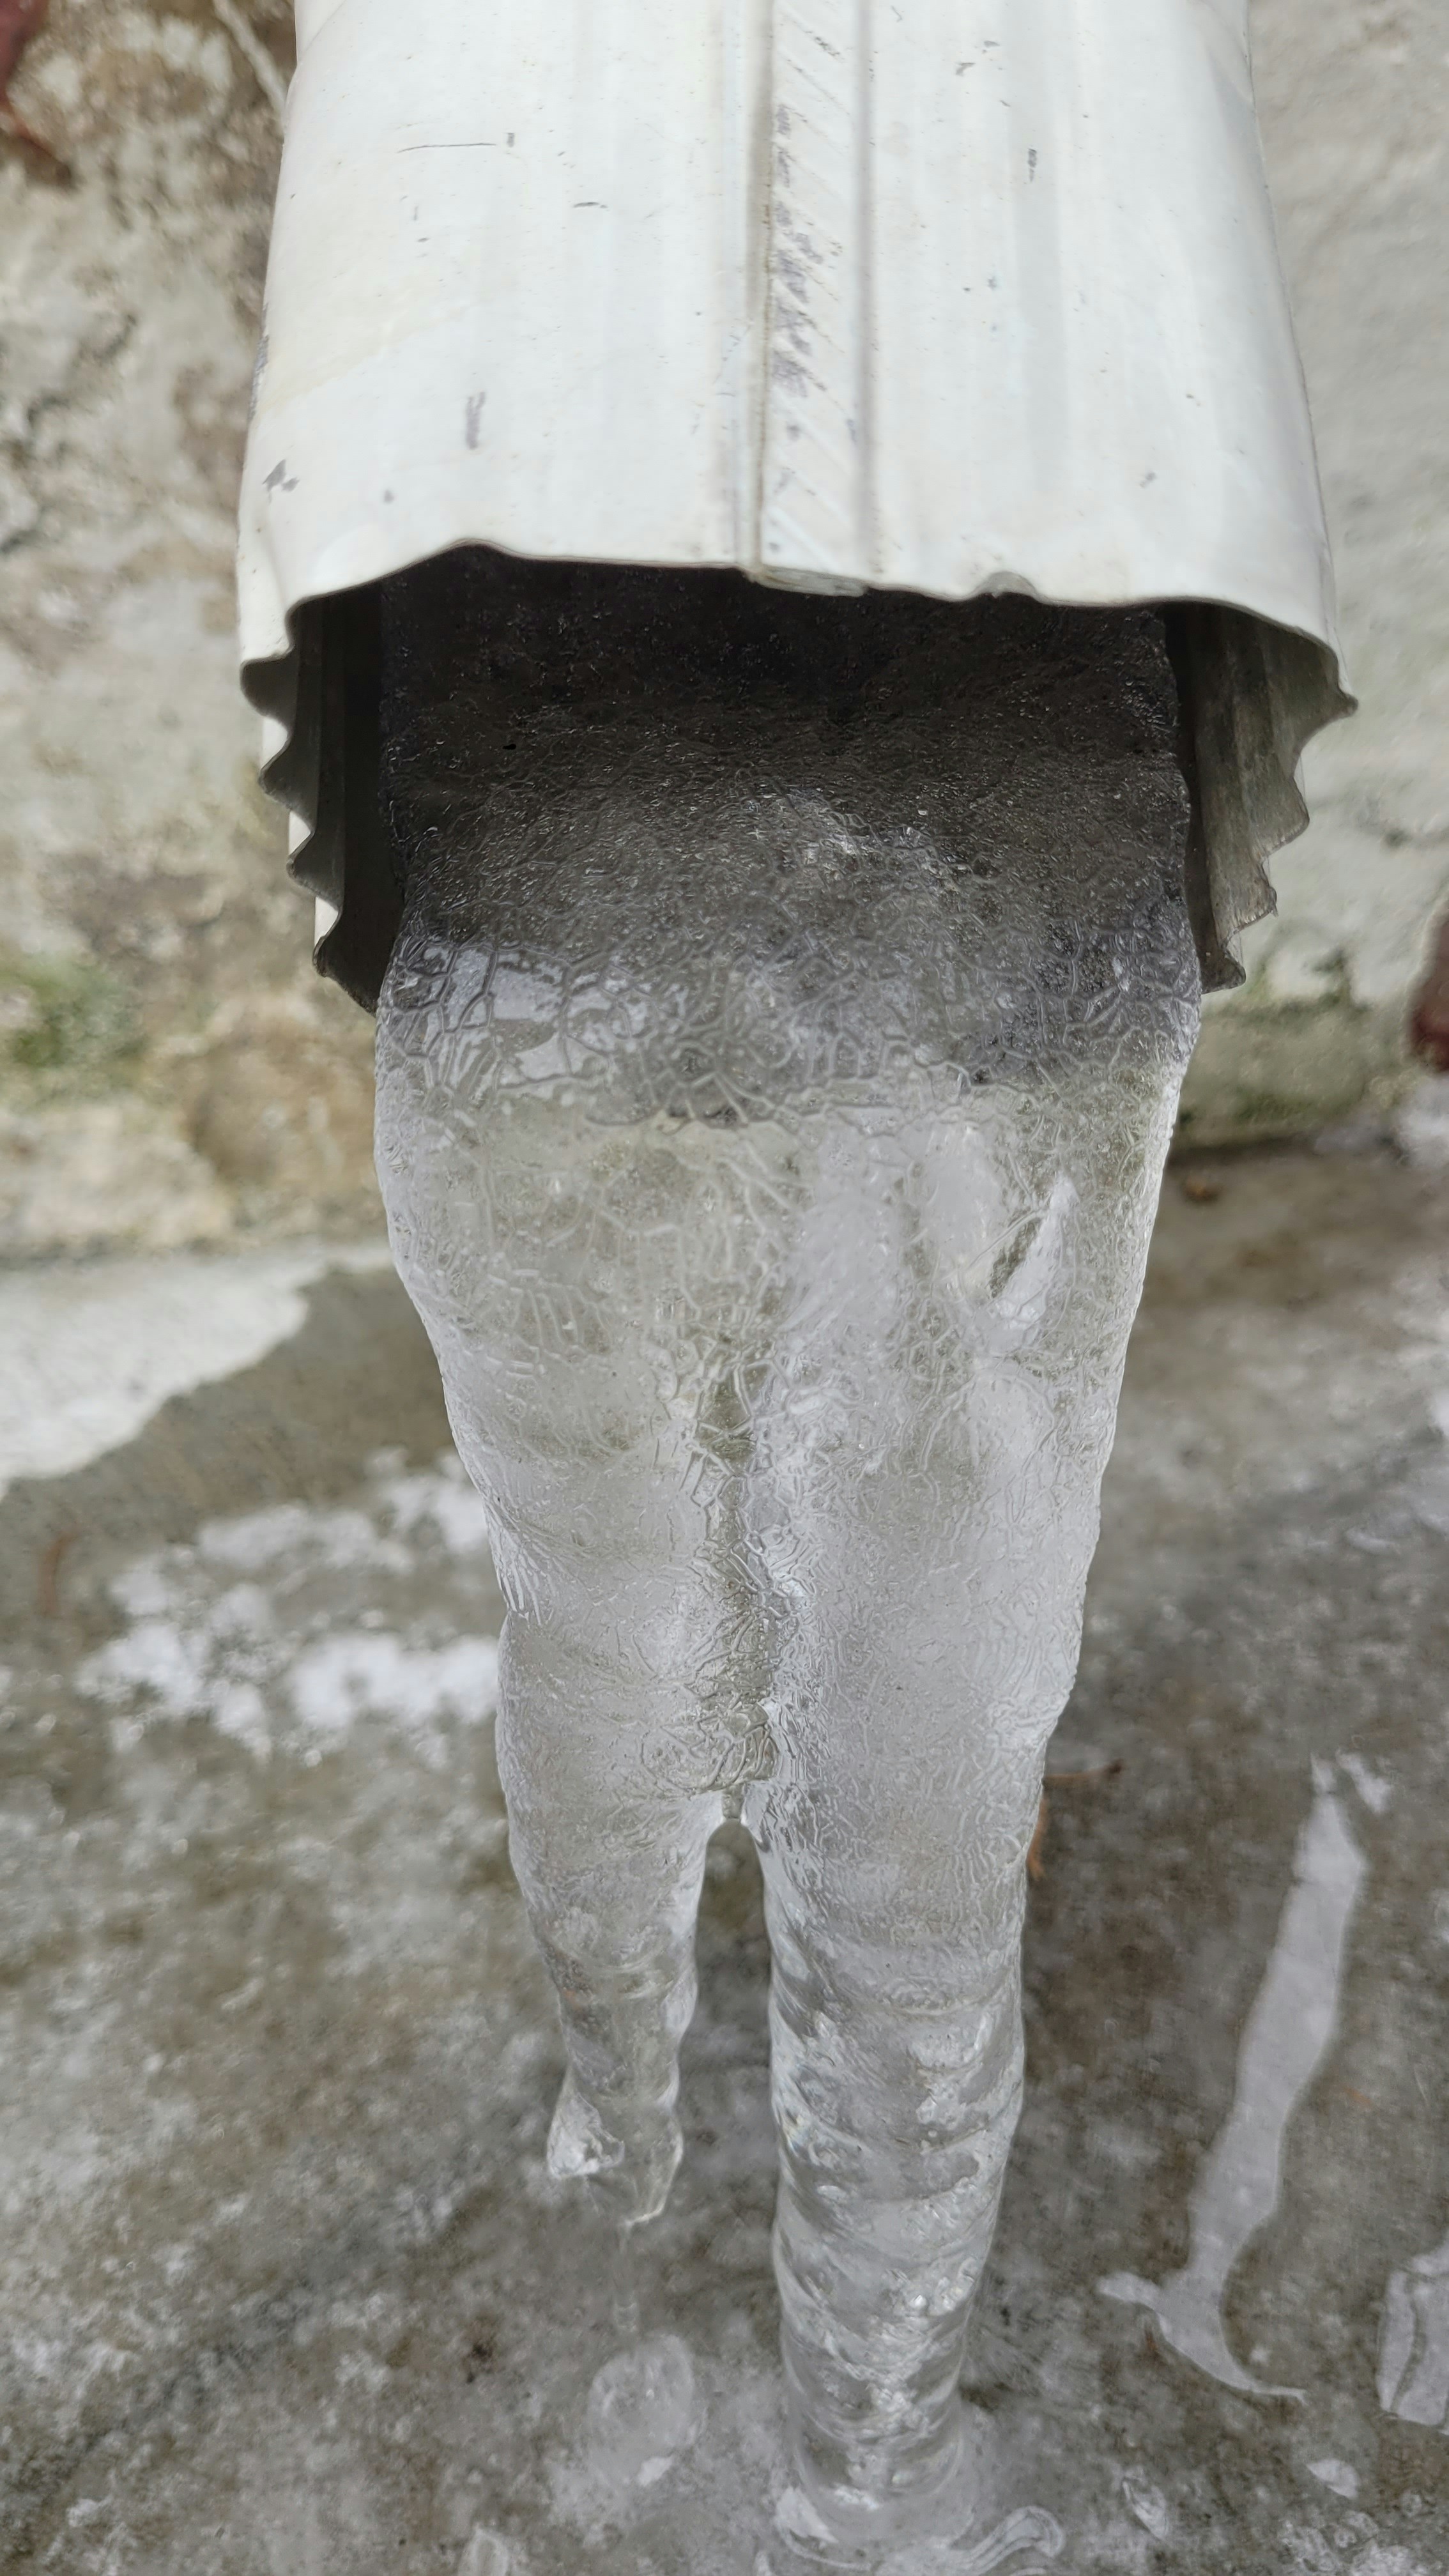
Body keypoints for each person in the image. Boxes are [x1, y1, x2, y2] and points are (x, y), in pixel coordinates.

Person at [238, 3, 1350, 2549]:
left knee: (901, 1719)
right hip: (534, 346)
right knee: (629, 1617)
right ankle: (655, 2172)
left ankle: (860, 2392)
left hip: (1008, 278)